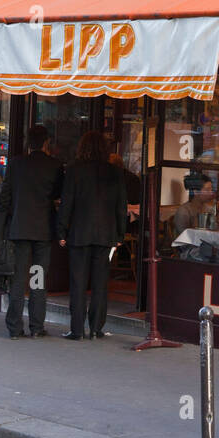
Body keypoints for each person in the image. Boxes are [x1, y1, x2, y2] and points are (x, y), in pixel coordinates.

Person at [57, 130, 127, 340]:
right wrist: (120, 234)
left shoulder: (74, 170)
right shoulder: (114, 172)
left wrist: (61, 230)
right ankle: (96, 328)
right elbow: (121, 206)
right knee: (100, 283)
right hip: (106, 234)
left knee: (78, 283)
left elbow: (66, 203)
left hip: (79, 233)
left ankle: (77, 329)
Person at [0, 124, 63, 339]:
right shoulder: (54, 166)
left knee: (17, 281)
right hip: (42, 232)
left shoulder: (16, 164)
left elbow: (4, 198)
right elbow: (58, 196)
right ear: (46, 143)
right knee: (38, 279)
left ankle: (15, 328)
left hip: (19, 230)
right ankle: (37, 327)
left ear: (29, 142)